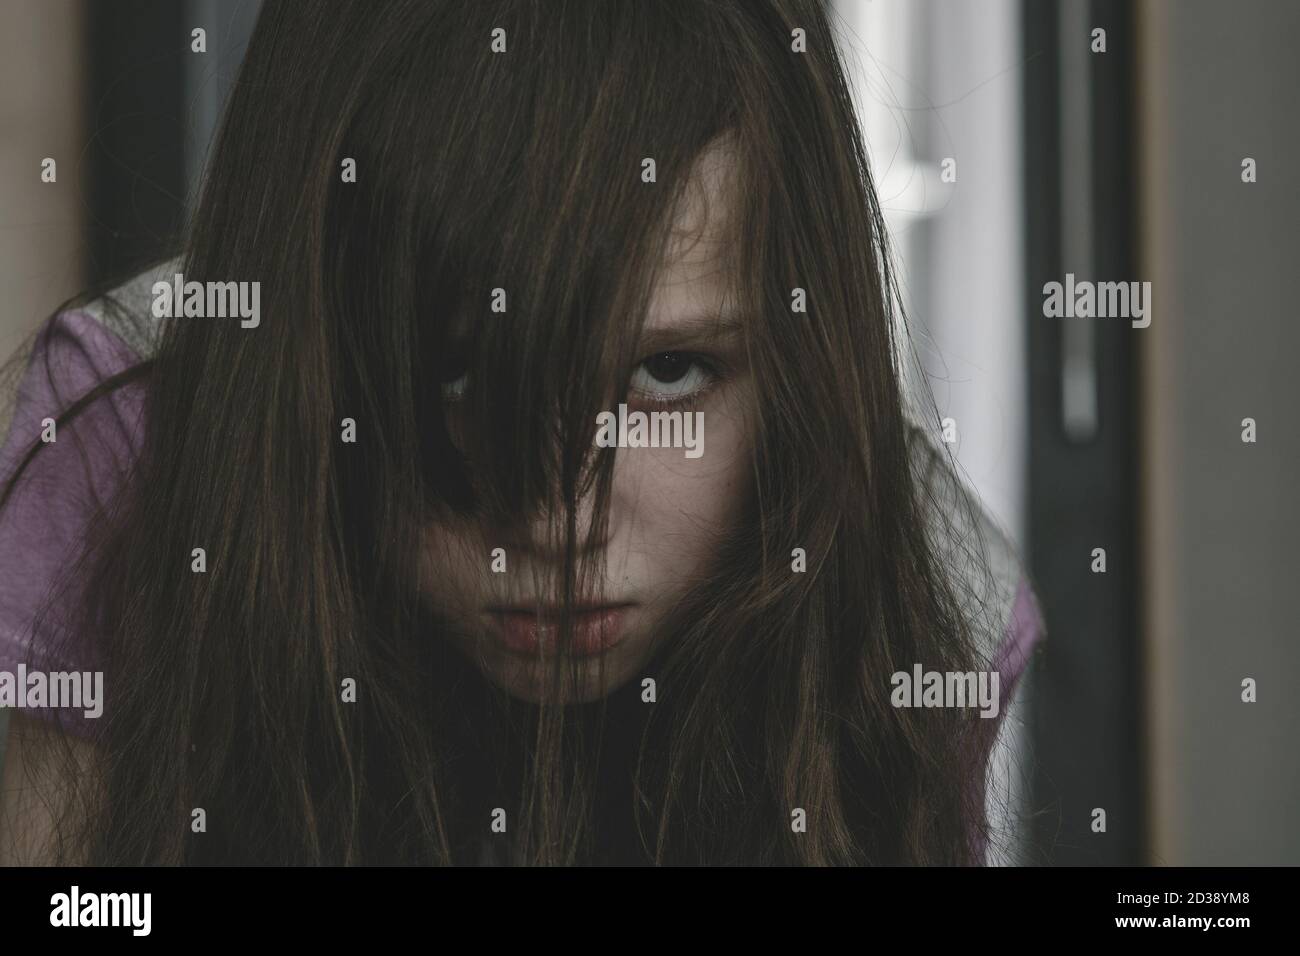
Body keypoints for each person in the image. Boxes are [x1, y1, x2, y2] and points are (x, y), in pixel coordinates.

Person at [0, 0, 1042, 865]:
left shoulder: (925, 618)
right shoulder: (124, 450)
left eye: (669, 371)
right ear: (308, 358)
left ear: (801, 374)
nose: (559, 520)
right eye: (457, 376)